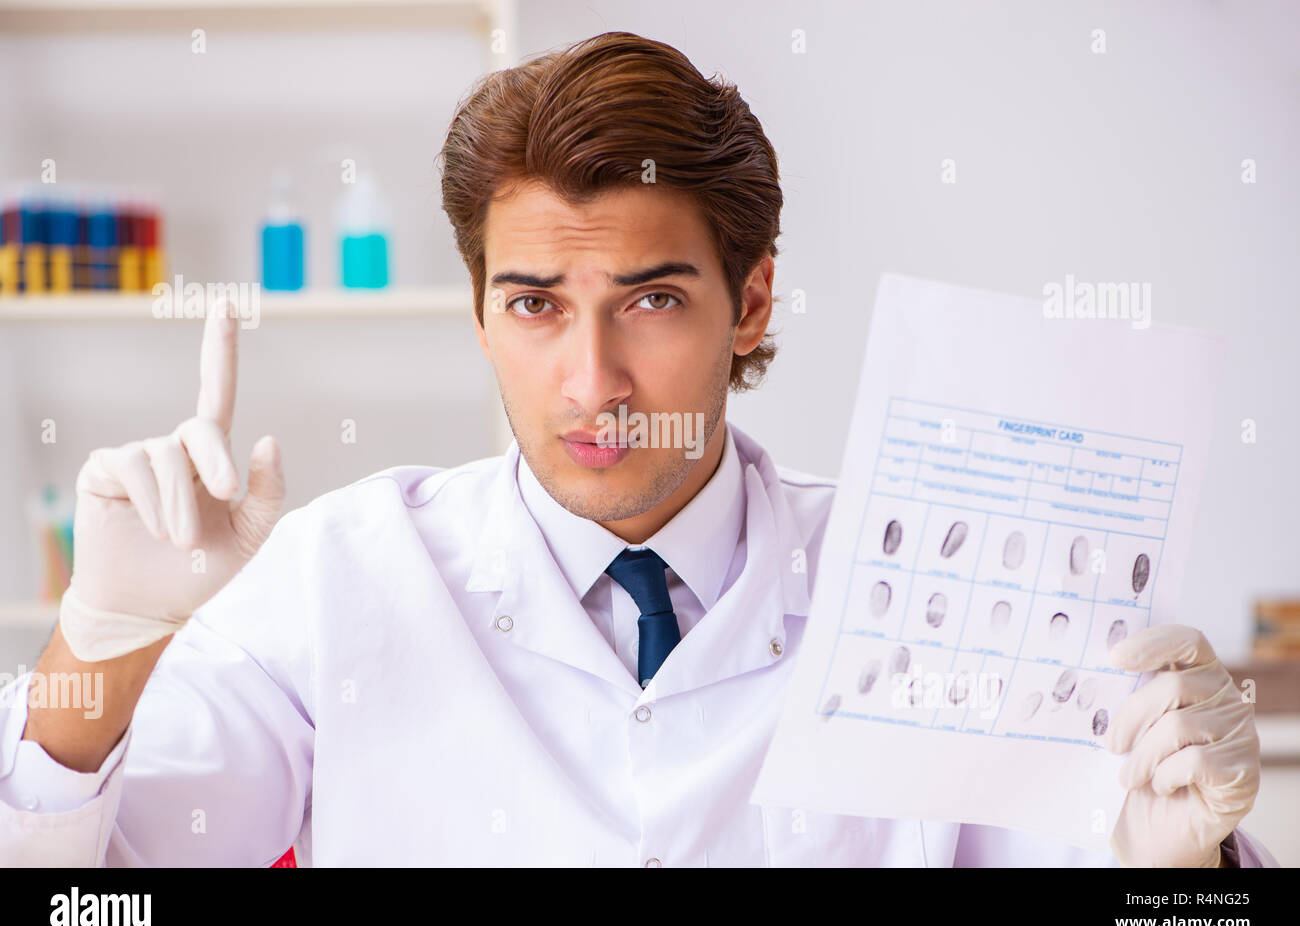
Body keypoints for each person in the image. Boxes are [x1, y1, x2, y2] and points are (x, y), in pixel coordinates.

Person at [0, 32, 1274, 867]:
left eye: (653, 300)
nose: (591, 381)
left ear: (752, 303)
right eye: (535, 303)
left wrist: (1187, 871)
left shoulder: (933, 592)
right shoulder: (338, 577)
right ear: (482, 310)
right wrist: (98, 649)